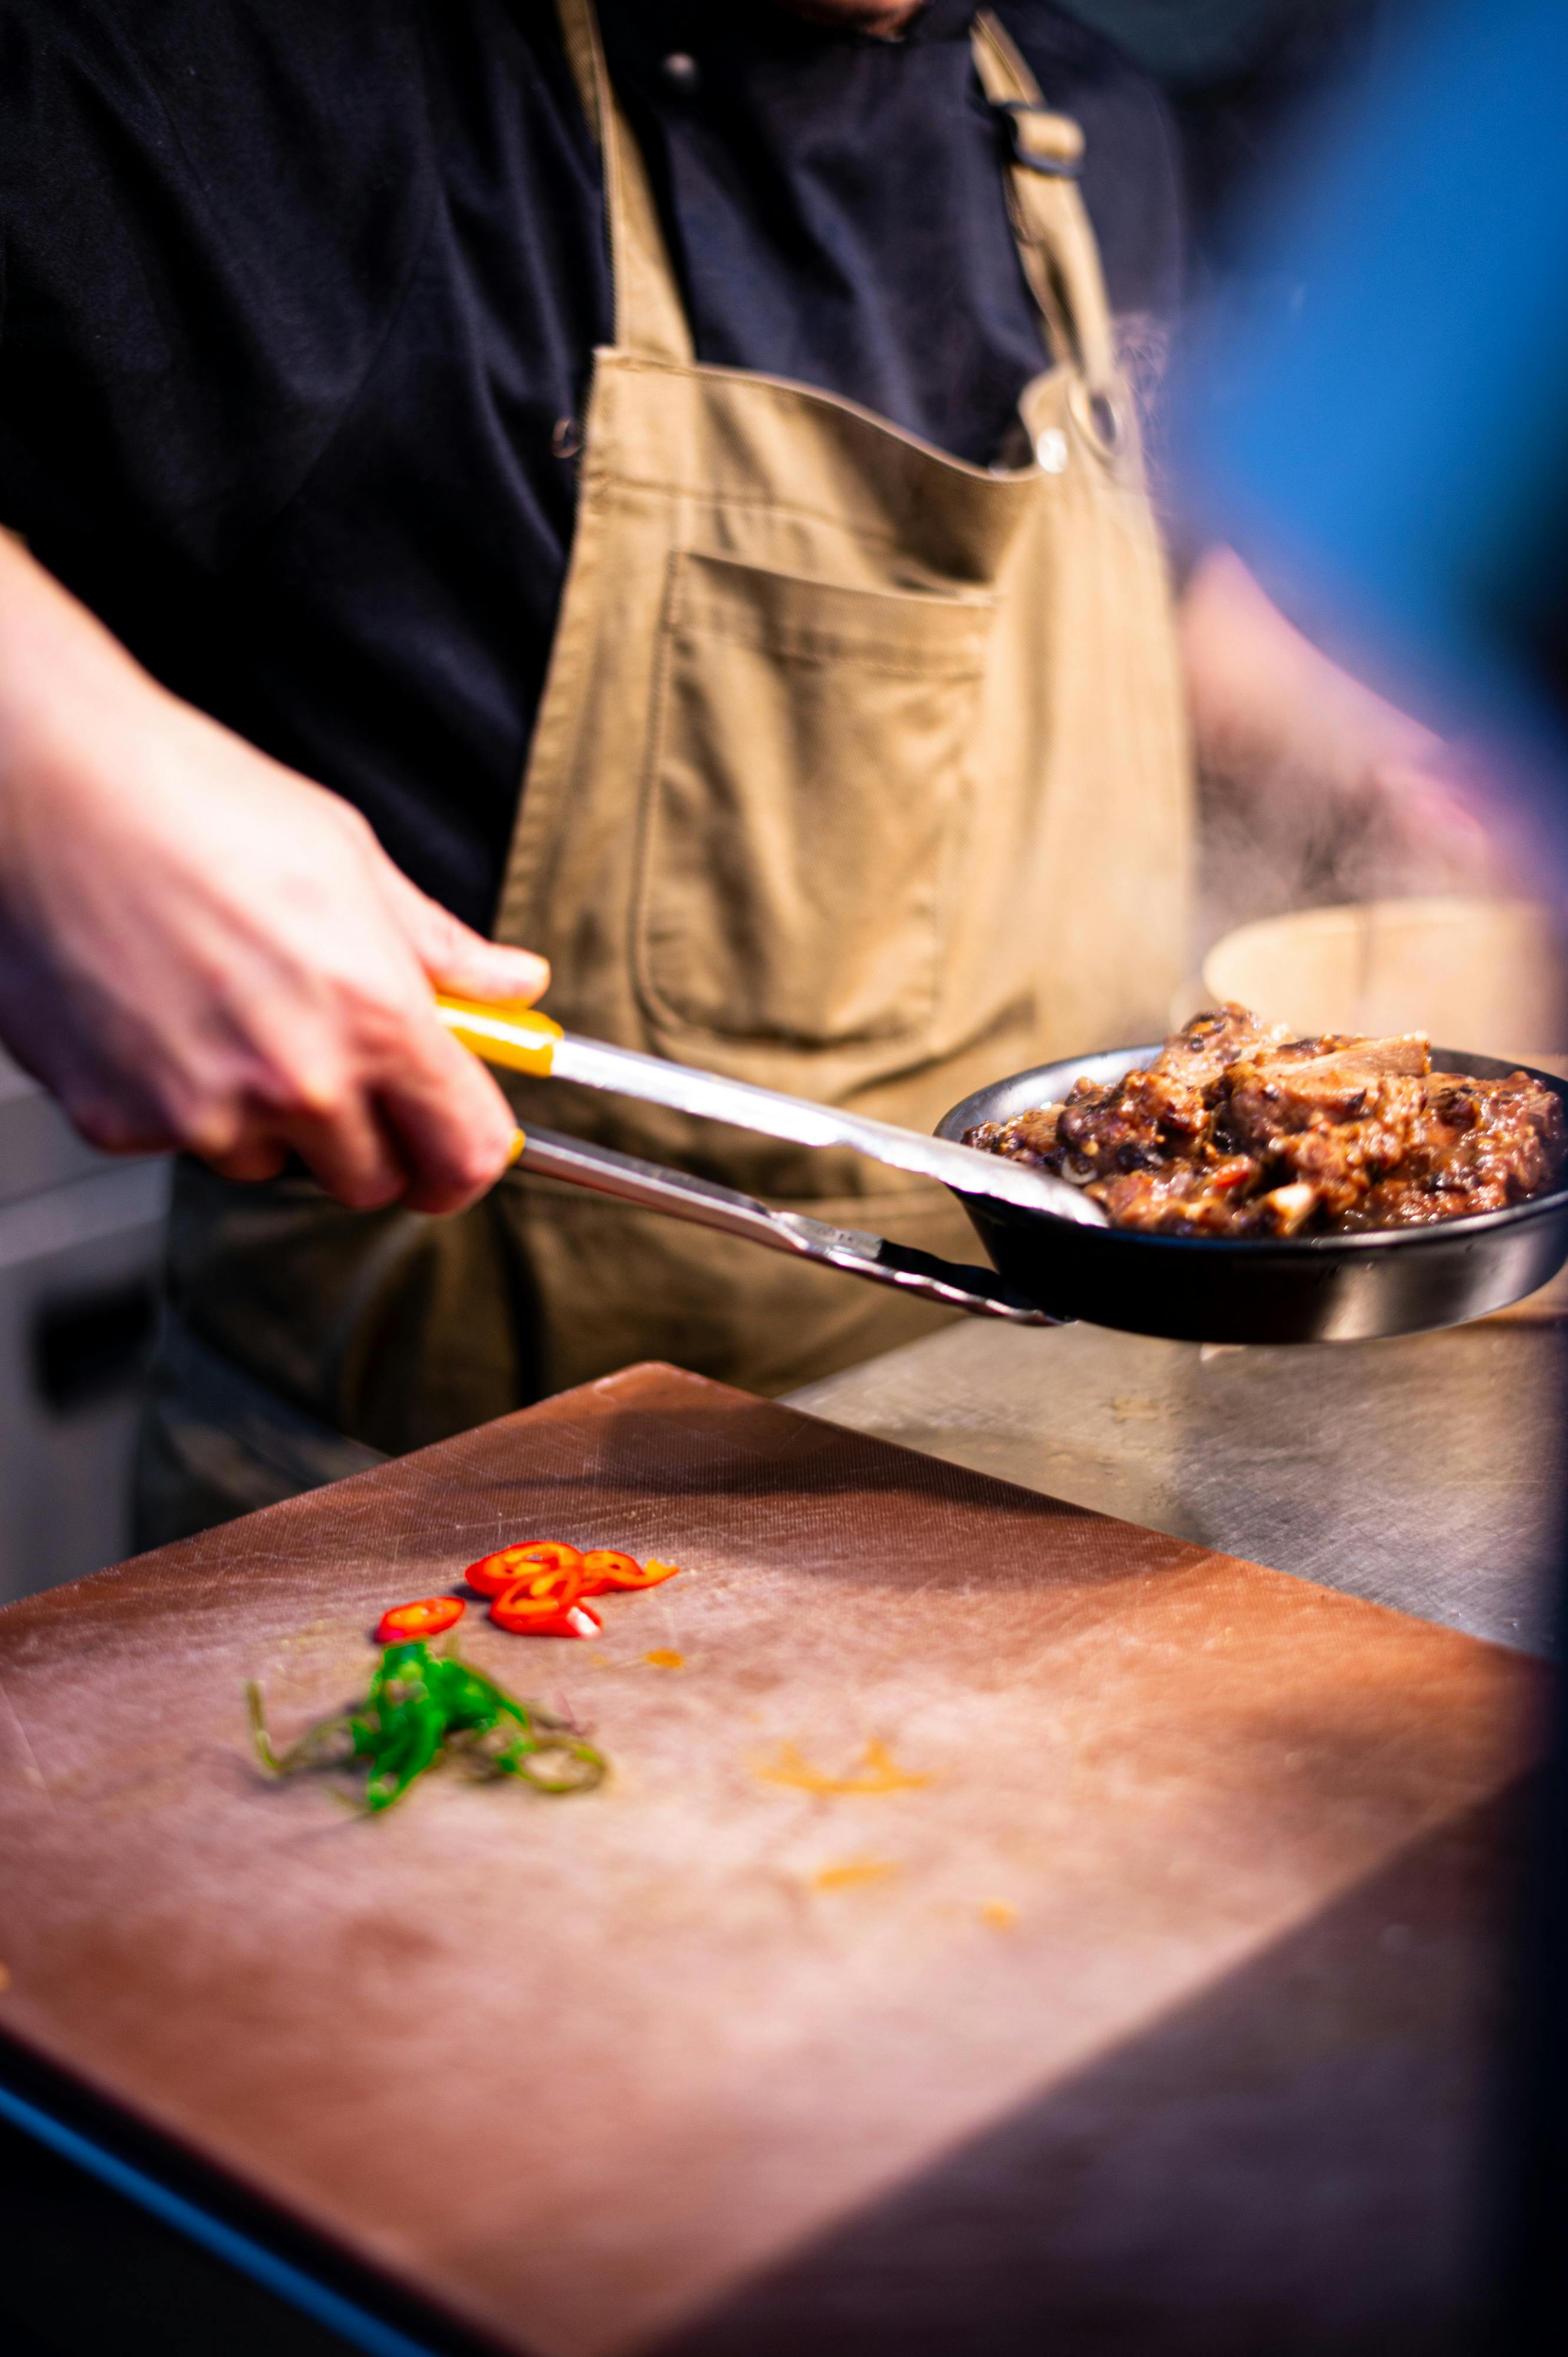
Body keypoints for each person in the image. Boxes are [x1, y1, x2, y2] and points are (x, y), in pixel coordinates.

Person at [0, 0, 1480, 1540]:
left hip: (1065, 1490)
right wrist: (49, 767)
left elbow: (1139, 594)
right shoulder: (266, 86)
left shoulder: (1091, 115)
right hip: (468, 1548)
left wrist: (1425, 779)